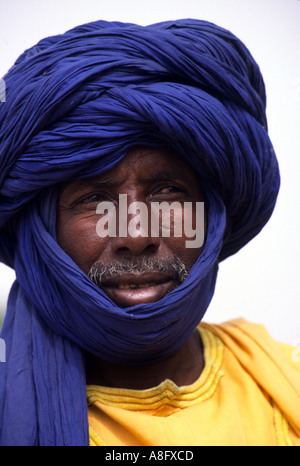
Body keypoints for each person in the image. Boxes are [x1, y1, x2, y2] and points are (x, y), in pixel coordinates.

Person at [0, 18, 299, 447]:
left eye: (168, 192)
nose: (135, 233)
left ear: (211, 219)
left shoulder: (282, 383)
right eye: (95, 199)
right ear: (43, 231)